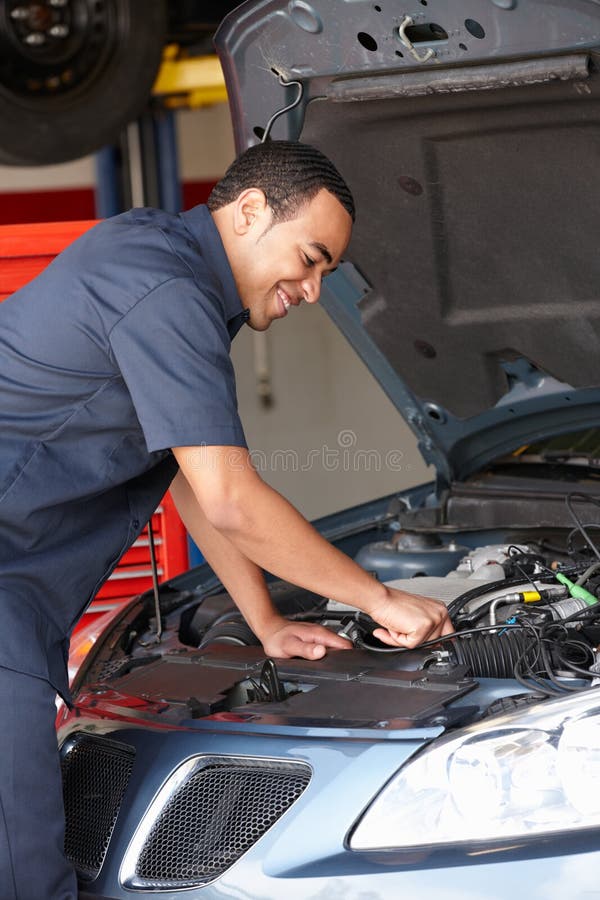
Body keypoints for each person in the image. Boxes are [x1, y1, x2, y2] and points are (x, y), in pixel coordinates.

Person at [0, 140, 452, 898]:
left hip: (19, 594)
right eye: (310, 258)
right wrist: (376, 598)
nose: (312, 290)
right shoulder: (162, 288)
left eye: (325, 273)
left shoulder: (171, 273)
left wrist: (266, 623)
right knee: (25, 875)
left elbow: (184, 476)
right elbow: (230, 498)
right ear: (248, 211)